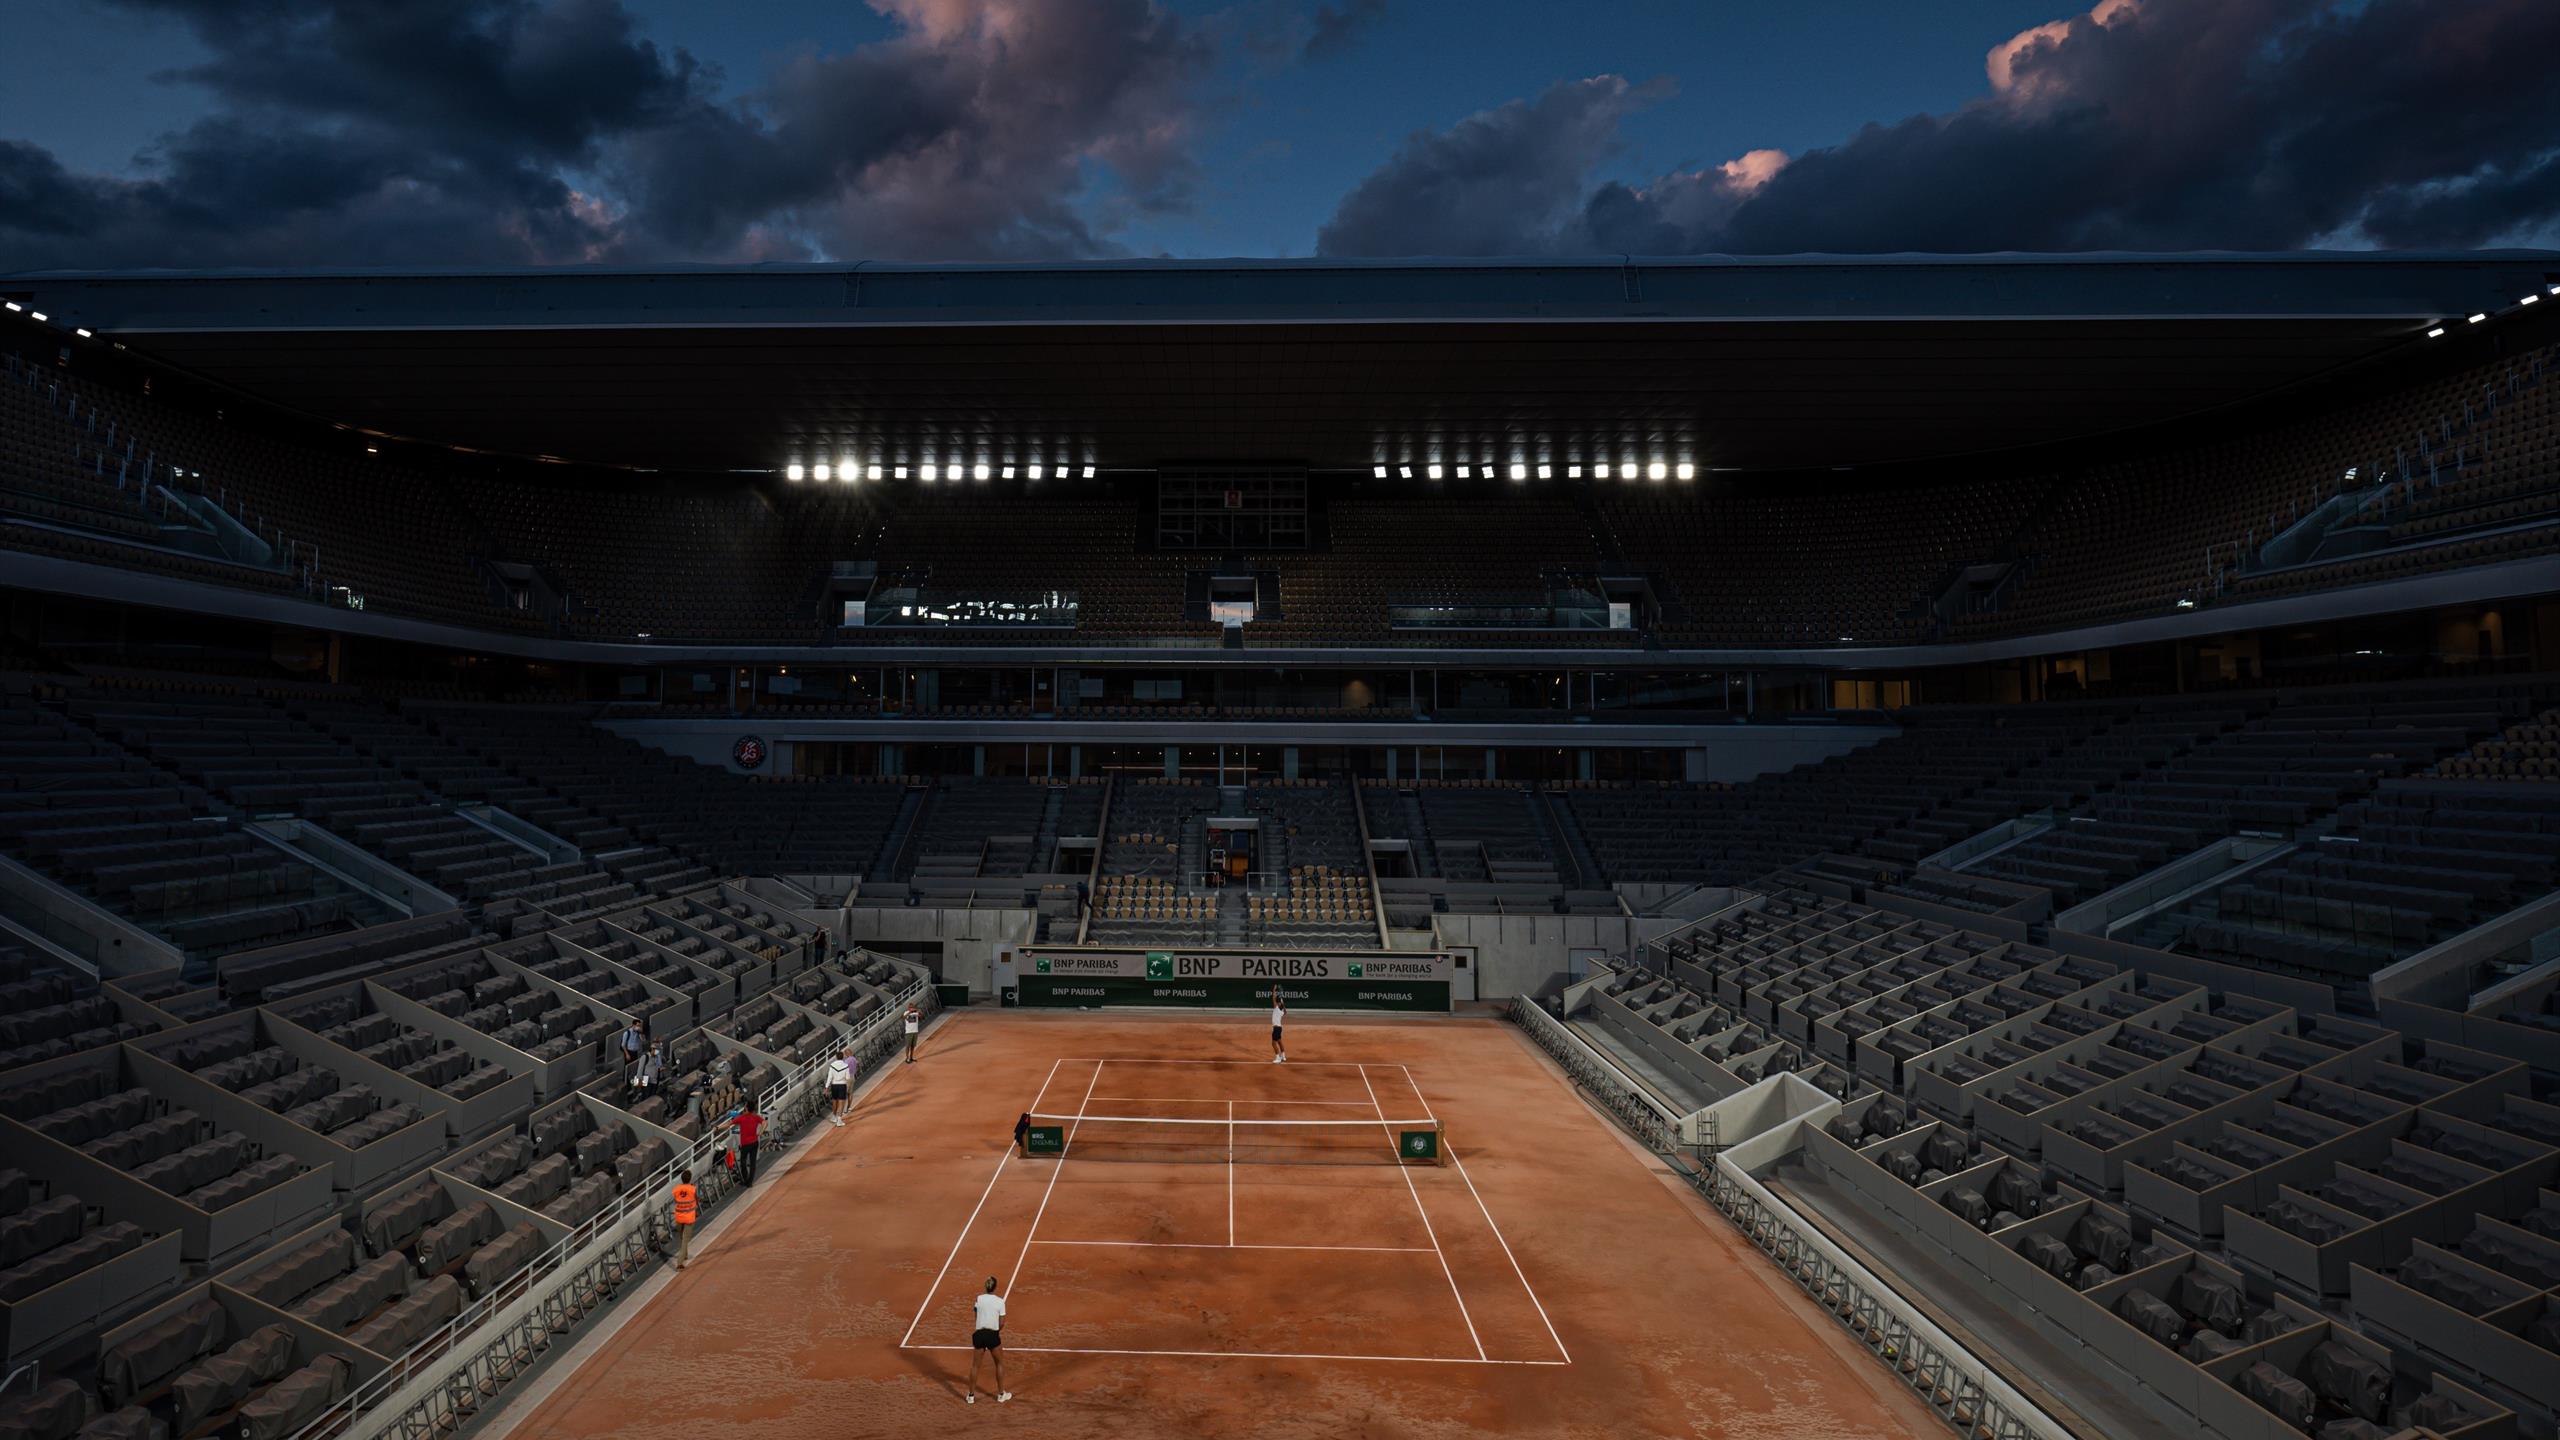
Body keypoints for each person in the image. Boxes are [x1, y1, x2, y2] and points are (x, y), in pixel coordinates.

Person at [966, 1277, 1010, 1404]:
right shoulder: (1000, 1302)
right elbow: (1002, 1323)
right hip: (992, 1335)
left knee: (975, 1366)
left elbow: (976, 1315)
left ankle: (971, 1396)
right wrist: (994, 1333)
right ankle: (1001, 1394)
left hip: (979, 1334)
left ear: (986, 1287)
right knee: (999, 1363)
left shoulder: (979, 1299)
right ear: (995, 1287)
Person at [669, 1169, 697, 1269]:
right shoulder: (693, 1189)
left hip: (679, 1217)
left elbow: (676, 1199)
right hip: (689, 1217)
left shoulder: (676, 1189)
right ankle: (679, 1263)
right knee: (685, 1239)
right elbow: (695, 1199)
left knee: (682, 1237)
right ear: (690, 1179)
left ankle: (685, 1254)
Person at [733, 1096, 764, 1186]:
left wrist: (718, 1127)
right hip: (754, 1143)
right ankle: (749, 1182)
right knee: (752, 1162)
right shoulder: (755, 1117)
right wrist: (760, 1132)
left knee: (743, 1162)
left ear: (746, 1108)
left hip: (746, 1145)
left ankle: (746, 1180)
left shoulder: (742, 1117)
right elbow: (765, 1123)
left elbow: (729, 1123)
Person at [826, 1049, 853, 1127]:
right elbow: (847, 1077)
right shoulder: (845, 1065)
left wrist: (826, 1087)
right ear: (843, 1057)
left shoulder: (832, 1065)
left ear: (836, 1057)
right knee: (841, 1103)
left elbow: (829, 1077)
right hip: (842, 1085)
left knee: (835, 1101)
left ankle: (834, 1117)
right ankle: (839, 1120)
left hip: (834, 1085)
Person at [1269, 992, 1287, 1063]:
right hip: (1279, 1028)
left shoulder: (1276, 1008)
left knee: (1273, 1043)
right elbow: (1285, 1012)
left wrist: (1274, 990)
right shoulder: (1281, 1012)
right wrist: (1283, 1003)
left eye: (1279, 1003)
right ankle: (1283, 1056)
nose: (1277, 1003)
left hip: (1276, 1029)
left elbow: (1273, 998)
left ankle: (1278, 1058)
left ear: (1279, 1005)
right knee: (1279, 1042)